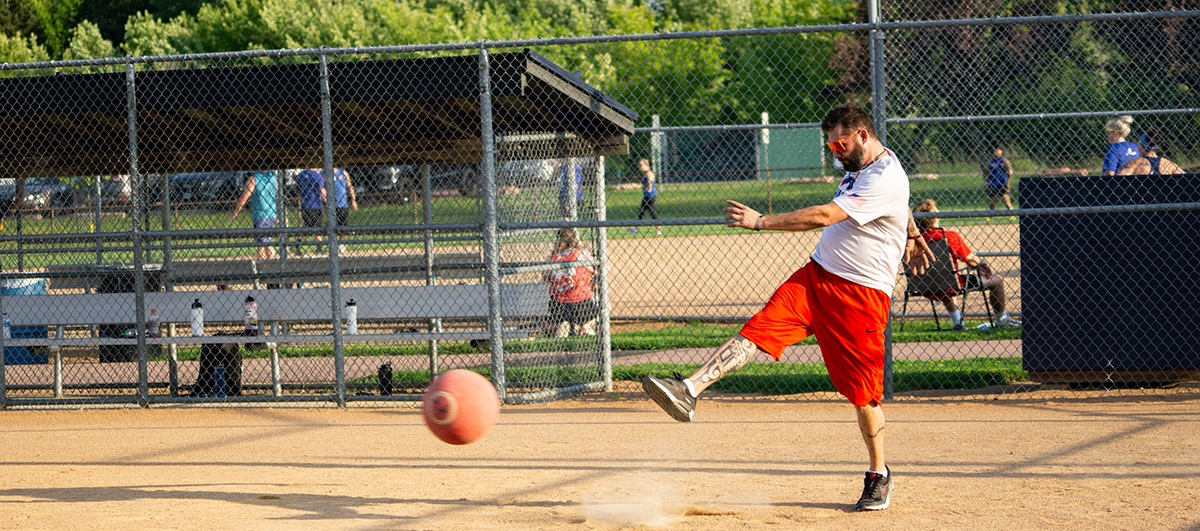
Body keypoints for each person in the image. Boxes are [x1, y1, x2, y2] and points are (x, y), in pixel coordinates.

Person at [642, 105, 934, 512]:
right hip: (817, 277)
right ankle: (689, 390)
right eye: (830, 146)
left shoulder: (885, 177)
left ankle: (878, 472)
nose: (836, 153)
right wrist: (912, 232)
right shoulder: (872, 163)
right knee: (759, 329)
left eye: (840, 145)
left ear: (863, 135)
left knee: (863, 396)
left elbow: (824, 215)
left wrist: (760, 221)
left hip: (861, 297)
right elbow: (899, 204)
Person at [913, 198, 1021, 330]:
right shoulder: (948, 236)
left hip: (921, 284)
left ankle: (958, 322)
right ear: (934, 218)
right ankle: (1001, 319)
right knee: (997, 280)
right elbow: (971, 261)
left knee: (944, 280)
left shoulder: (911, 240)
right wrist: (982, 263)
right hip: (950, 283)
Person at [543, 228, 599, 337]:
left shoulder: (553, 258)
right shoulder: (582, 254)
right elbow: (598, 272)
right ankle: (585, 326)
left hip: (558, 307)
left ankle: (564, 325)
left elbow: (545, 278)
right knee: (597, 293)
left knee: (556, 296)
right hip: (582, 304)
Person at [231, 170, 279, 260]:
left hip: (261, 215)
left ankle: (272, 263)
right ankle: (263, 263)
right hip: (271, 213)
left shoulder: (254, 179)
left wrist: (236, 212)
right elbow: (277, 196)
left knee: (265, 242)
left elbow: (244, 197)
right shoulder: (273, 177)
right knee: (262, 242)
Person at [1116, 128, 1184, 176]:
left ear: (1142, 145)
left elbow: (1118, 179)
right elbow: (1185, 178)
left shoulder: (1136, 163)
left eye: (1139, 144)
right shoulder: (1168, 164)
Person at [292, 167, 327, 252]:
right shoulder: (317, 175)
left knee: (307, 226)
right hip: (315, 205)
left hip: (305, 205)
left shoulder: (303, 174)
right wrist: (325, 202)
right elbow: (322, 190)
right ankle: (319, 248)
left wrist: (295, 169)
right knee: (317, 227)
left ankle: (296, 245)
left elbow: (294, 177)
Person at [330, 168, 358, 254]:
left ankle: (341, 243)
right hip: (331, 205)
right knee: (332, 226)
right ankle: (333, 245)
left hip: (342, 204)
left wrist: (353, 200)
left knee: (343, 225)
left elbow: (350, 186)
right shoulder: (326, 173)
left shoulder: (343, 172)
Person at [632, 158, 661, 235]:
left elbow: (650, 180)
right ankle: (635, 229)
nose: (640, 167)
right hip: (647, 196)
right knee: (642, 212)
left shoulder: (649, 173)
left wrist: (649, 187)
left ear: (646, 165)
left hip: (650, 196)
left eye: (641, 165)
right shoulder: (645, 173)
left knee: (651, 212)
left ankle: (658, 229)